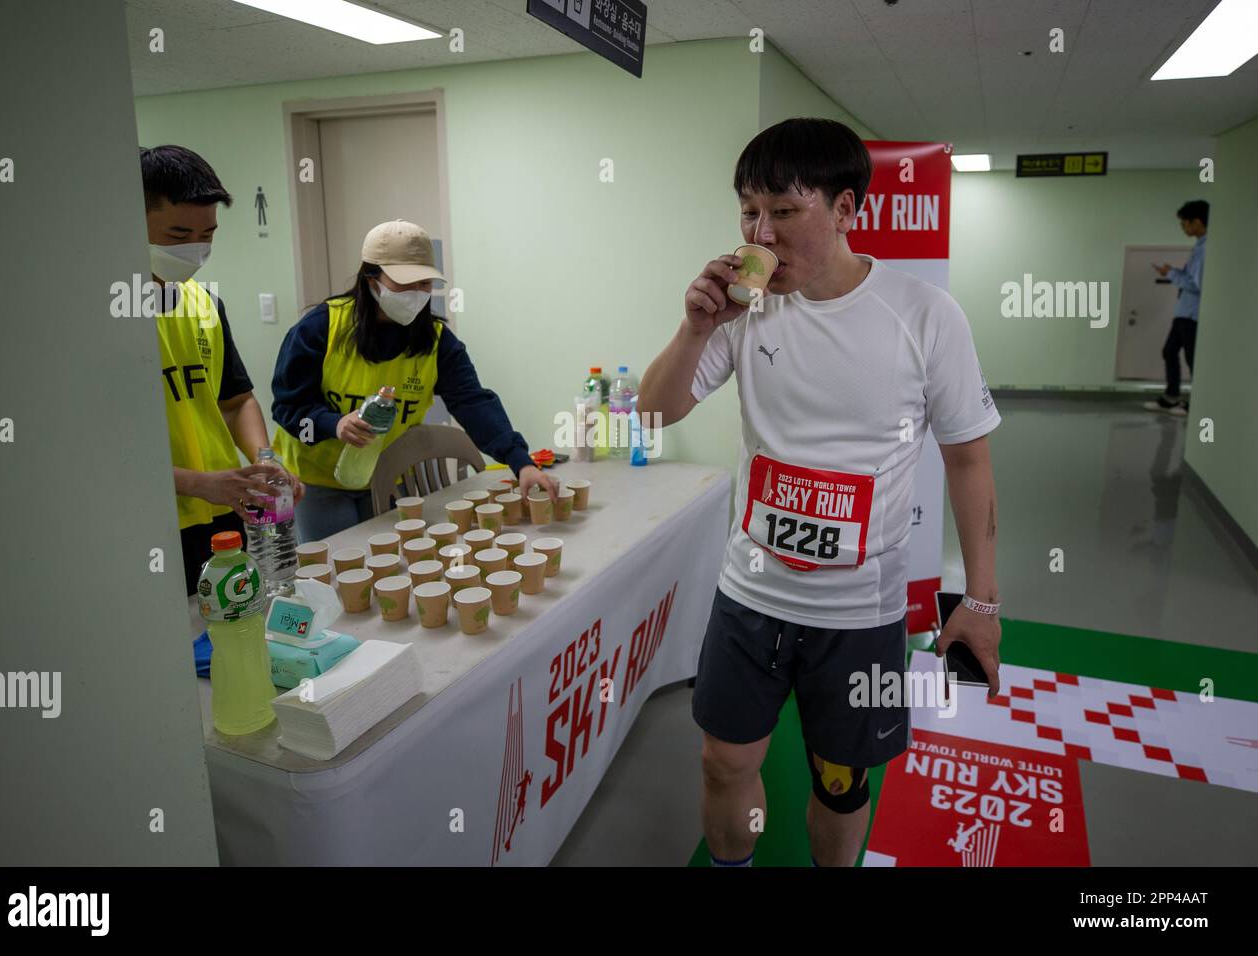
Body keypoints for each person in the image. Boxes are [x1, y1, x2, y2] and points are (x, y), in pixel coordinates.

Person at [636, 118, 1003, 868]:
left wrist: (981, 601)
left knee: (840, 780)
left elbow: (968, 460)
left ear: (845, 209)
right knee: (723, 762)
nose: (761, 234)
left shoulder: (924, 315)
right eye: (748, 212)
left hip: (860, 611)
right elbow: (650, 415)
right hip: (751, 593)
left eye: (783, 210)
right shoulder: (742, 310)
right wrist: (695, 329)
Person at [271, 220, 556, 541]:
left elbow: (472, 401)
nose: (417, 293)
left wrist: (521, 462)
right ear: (371, 278)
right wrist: (332, 424)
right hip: (317, 480)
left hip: (386, 473)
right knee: (338, 561)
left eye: (424, 283)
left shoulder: (435, 340)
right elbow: (287, 409)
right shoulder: (321, 328)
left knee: (393, 558)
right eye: (404, 283)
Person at [142, 145, 304, 595]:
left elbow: (235, 402)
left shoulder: (205, 304)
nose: (195, 249)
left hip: (221, 512)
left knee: (231, 618)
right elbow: (99, 452)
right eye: (178, 234)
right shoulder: (103, 316)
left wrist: (264, 459)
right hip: (148, 518)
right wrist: (200, 484)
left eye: (207, 234)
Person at [1145, 200, 1208, 417]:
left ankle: (1195, 403)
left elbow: (1196, 284)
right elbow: (1191, 277)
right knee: (1169, 351)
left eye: (1184, 223)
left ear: (1196, 222)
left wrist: (1171, 274)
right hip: (1183, 313)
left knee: (1193, 360)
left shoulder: (1205, 249)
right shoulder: (1199, 246)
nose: (1182, 227)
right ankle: (1171, 397)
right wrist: (1173, 272)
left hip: (1192, 314)